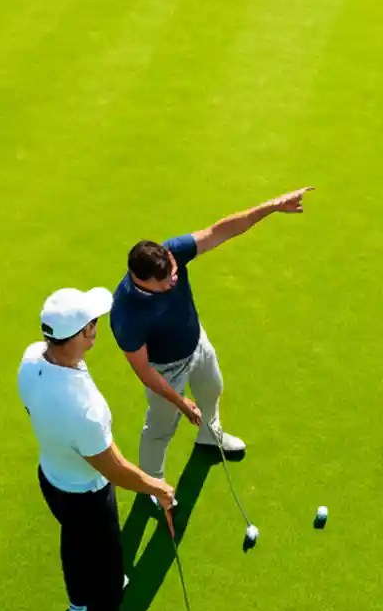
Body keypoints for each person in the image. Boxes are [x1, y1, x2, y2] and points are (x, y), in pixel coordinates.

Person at [17, 287, 175, 611]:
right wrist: (156, 486)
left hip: (51, 479)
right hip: (87, 495)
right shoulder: (83, 410)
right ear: (84, 334)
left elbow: (34, 409)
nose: (96, 328)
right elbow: (115, 469)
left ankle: (77, 602)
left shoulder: (31, 359)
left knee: (72, 538)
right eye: (92, 324)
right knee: (110, 587)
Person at [110, 187, 314, 479]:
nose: (174, 279)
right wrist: (181, 403)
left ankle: (209, 435)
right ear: (143, 280)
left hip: (196, 342)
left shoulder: (173, 253)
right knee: (160, 429)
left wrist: (272, 206)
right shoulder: (126, 313)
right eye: (167, 281)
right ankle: (153, 483)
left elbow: (221, 231)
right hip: (164, 369)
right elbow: (143, 370)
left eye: (174, 273)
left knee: (212, 389)